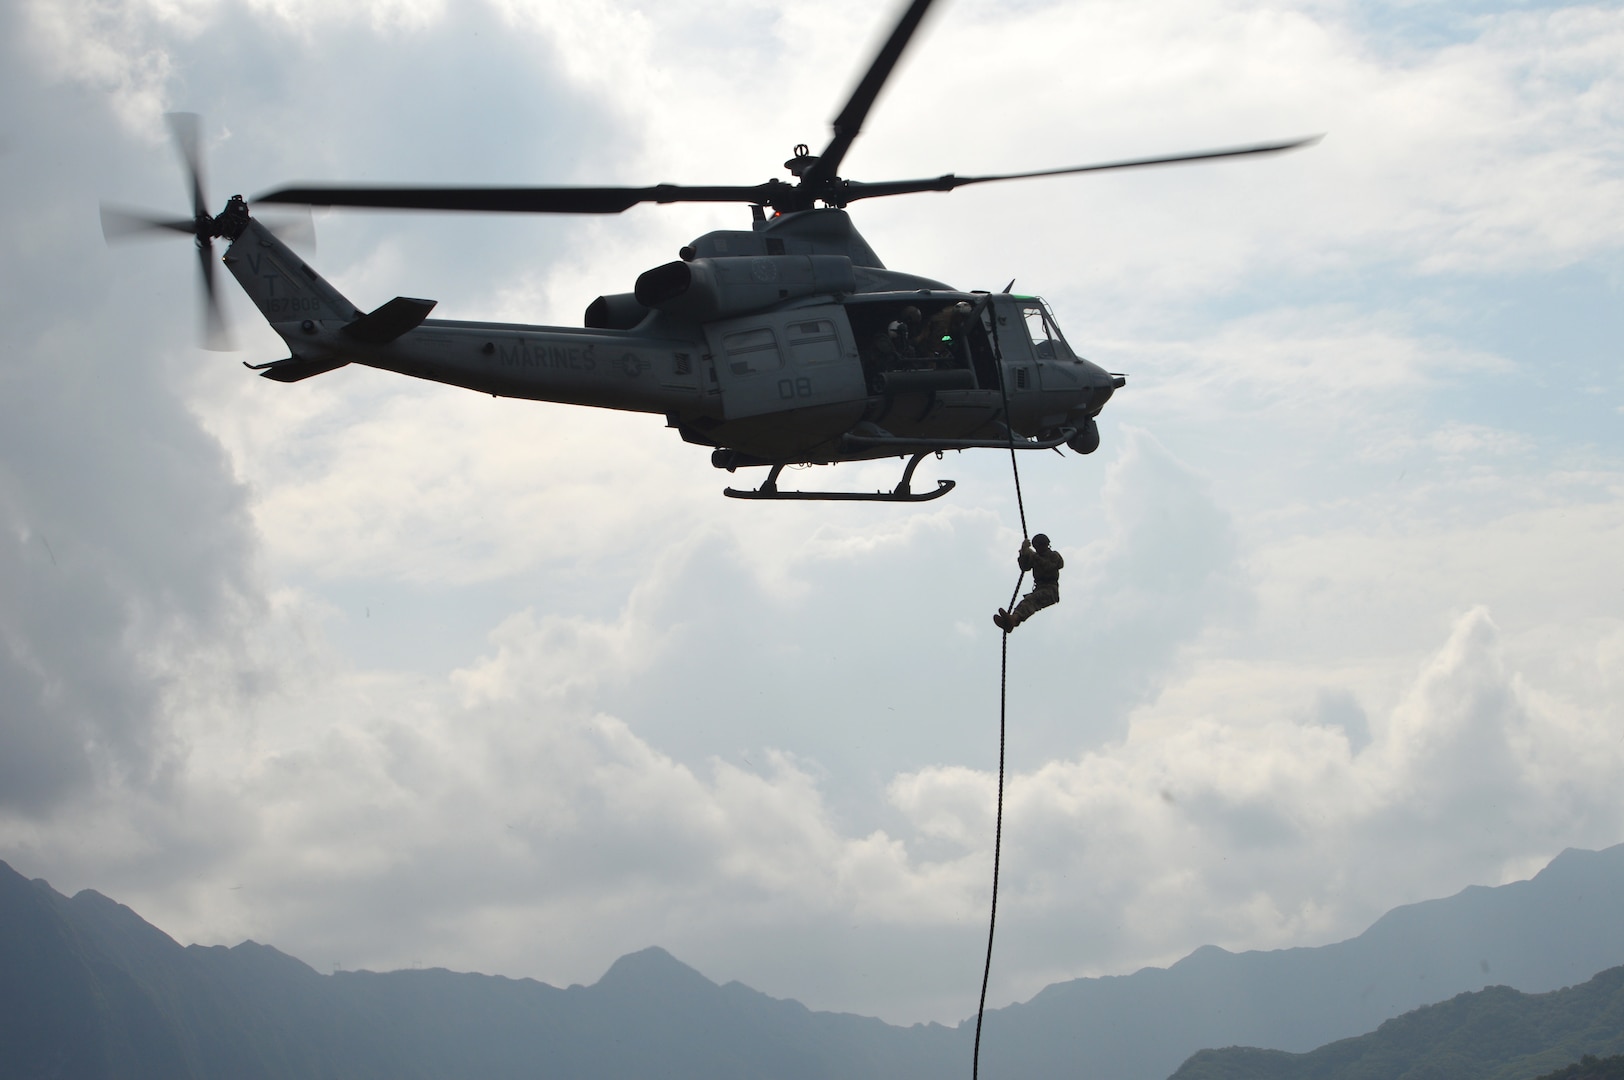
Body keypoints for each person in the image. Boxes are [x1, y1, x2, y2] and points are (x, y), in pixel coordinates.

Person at [994, 533, 1063, 632]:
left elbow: (1049, 566)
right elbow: (1025, 567)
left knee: (1030, 601)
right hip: (1040, 588)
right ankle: (1012, 620)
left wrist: (1033, 555)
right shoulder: (1036, 557)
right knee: (1026, 603)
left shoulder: (1053, 556)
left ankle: (1013, 620)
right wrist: (1023, 553)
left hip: (1050, 590)